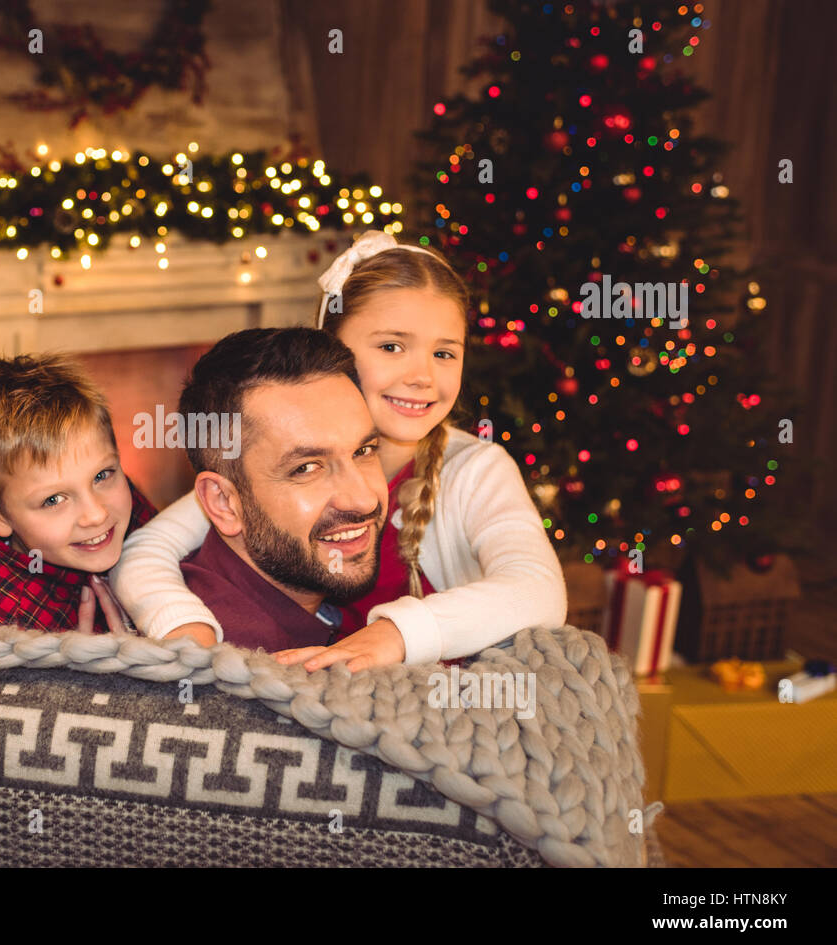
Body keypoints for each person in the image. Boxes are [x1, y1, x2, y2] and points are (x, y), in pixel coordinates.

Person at [109, 230, 567, 672]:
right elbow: (145, 549)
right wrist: (186, 633)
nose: (423, 376)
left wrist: (395, 635)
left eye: (444, 353)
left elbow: (538, 589)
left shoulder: (474, 470)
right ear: (333, 349)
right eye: (392, 346)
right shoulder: (267, 470)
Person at [170, 328, 388, 652]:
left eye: (364, 450)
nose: (363, 499)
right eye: (307, 468)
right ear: (224, 503)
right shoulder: (250, 678)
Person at [0, 354, 155, 633]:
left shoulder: (118, 499)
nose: (96, 514)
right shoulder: (9, 627)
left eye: (101, 475)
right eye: (53, 500)